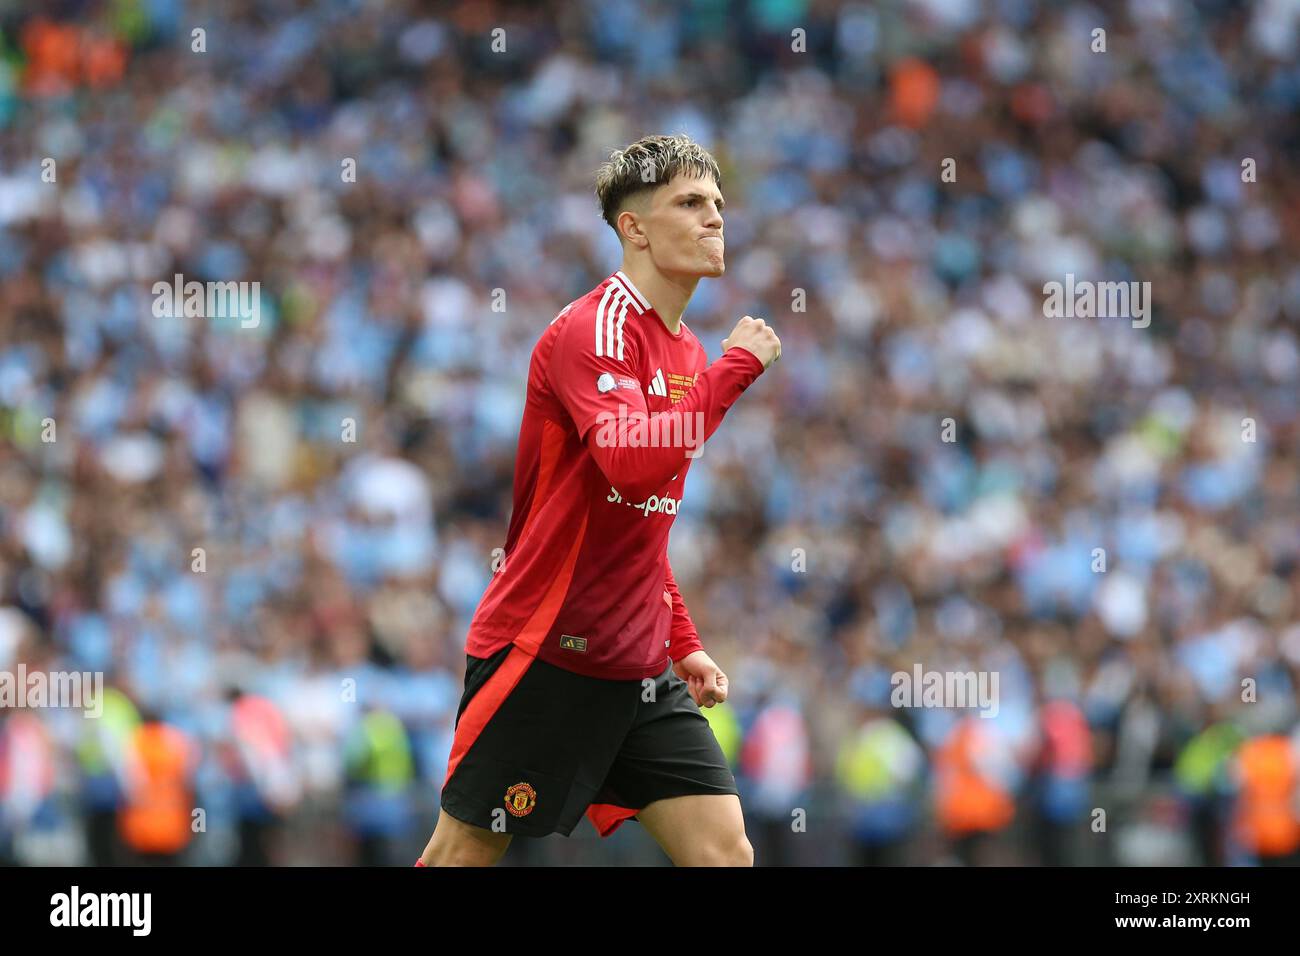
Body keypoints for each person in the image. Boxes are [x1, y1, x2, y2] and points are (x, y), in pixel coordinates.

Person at [417, 134, 780, 866]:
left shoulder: (684, 352)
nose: (714, 218)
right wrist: (736, 369)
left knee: (725, 854)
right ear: (633, 228)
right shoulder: (595, 329)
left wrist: (682, 642)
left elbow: (639, 528)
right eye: (689, 202)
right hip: (546, 652)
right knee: (462, 855)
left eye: (716, 203)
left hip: (637, 670)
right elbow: (629, 468)